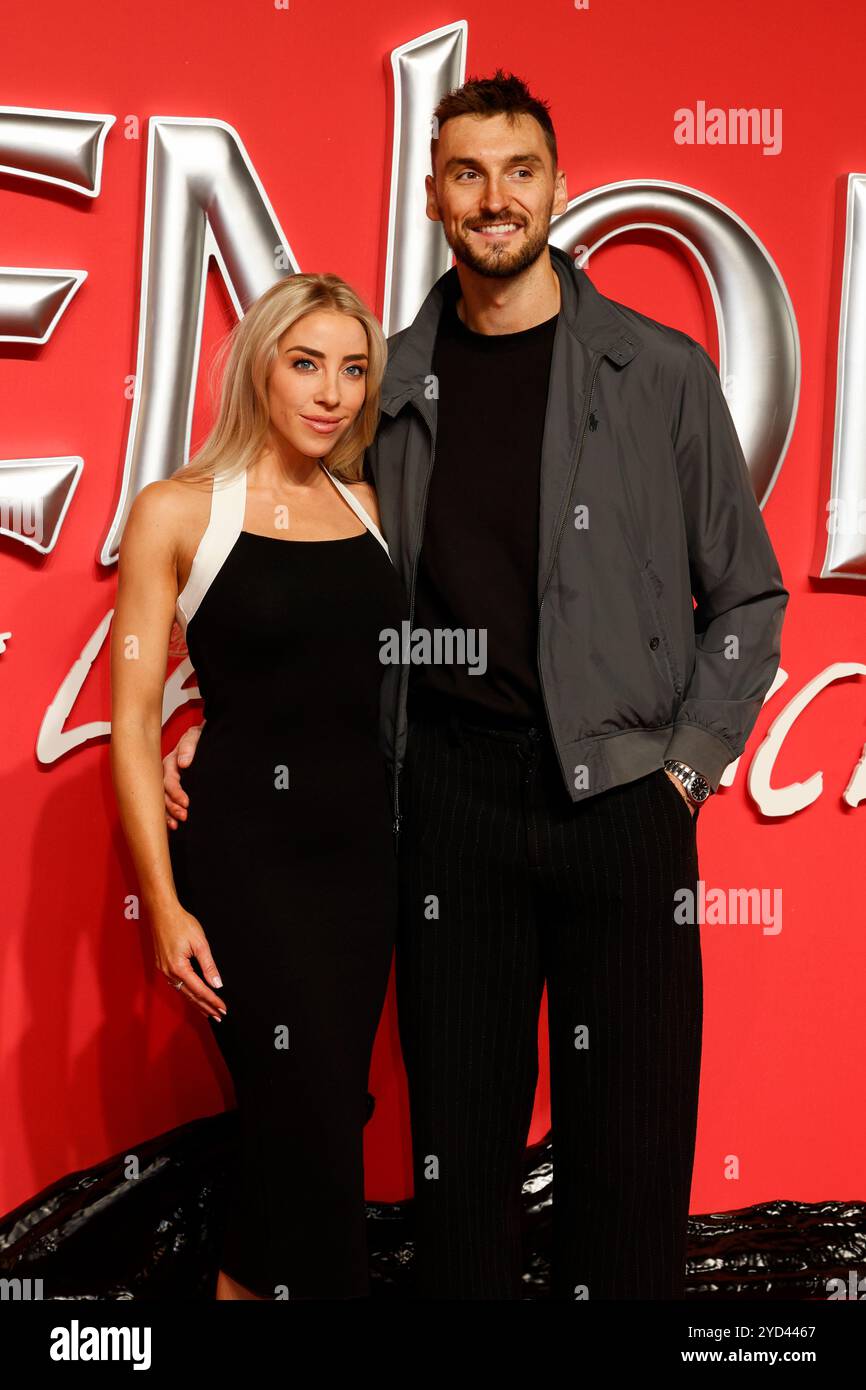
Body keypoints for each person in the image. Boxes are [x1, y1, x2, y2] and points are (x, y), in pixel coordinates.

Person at [164, 72, 789, 1300]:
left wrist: (683, 768)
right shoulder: (385, 384)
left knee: (632, 1152)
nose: (493, 198)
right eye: (466, 173)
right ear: (434, 194)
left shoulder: (656, 371)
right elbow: (304, 563)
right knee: (459, 1172)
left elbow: (751, 598)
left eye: (517, 171)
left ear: (557, 186)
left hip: (620, 801)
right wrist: (228, 726)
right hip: (448, 809)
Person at [110, 273, 408, 1300]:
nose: (332, 391)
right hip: (241, 860)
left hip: (364, 858)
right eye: (306, 362)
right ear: (259, 368)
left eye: (353, 369)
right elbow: (132, 716)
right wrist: (161, 906)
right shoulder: (176, 511)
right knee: (305, 1112)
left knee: (316, 1118)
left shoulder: (375, 506)